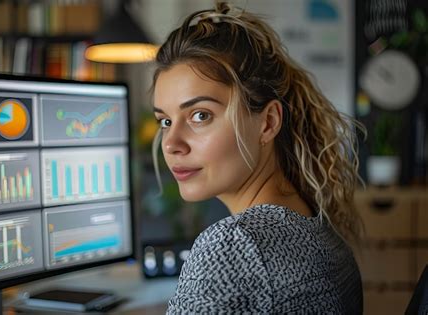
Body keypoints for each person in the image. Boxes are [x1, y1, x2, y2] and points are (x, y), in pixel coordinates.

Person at [151, 2, 364, 314]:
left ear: (268, 123)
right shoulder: (319, 226)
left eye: (200, 115)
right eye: (165, 121)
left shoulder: (232, 245)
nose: (171, 143)